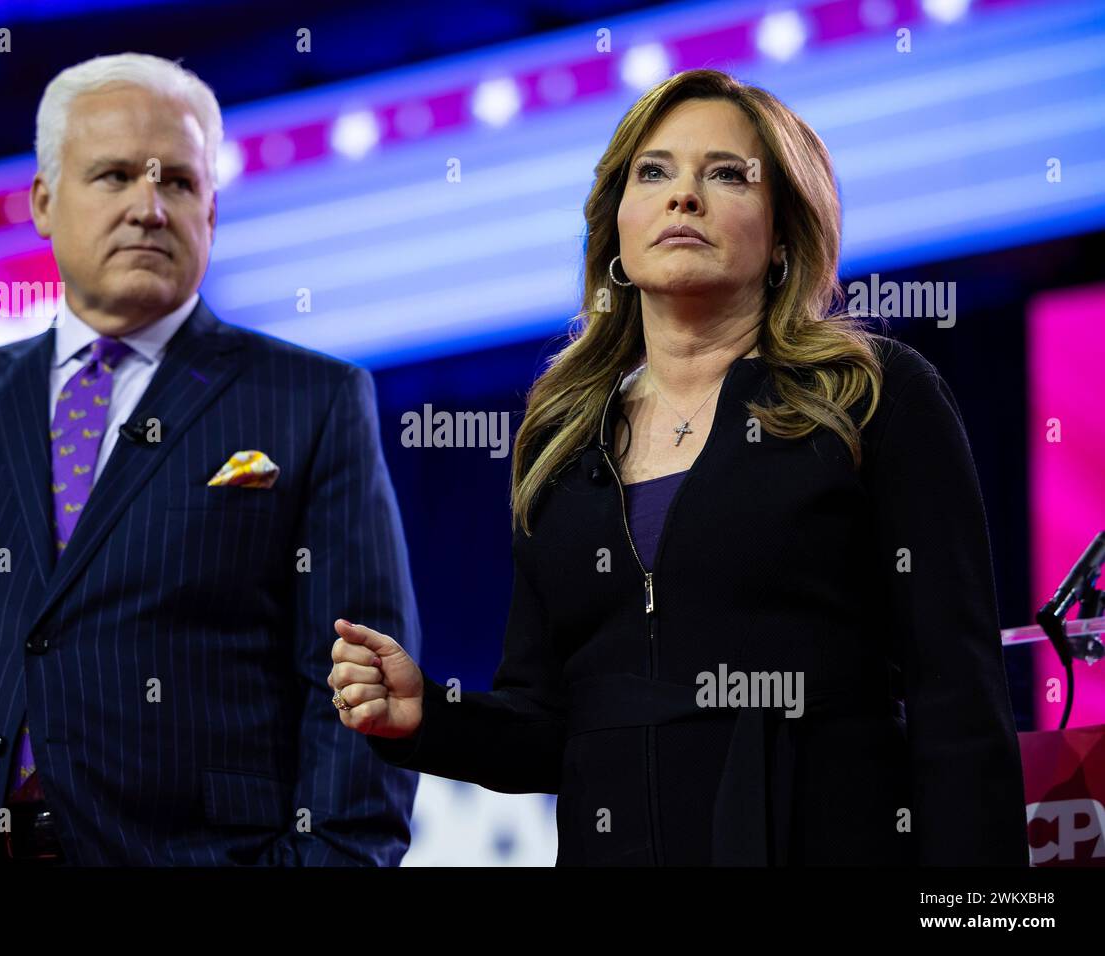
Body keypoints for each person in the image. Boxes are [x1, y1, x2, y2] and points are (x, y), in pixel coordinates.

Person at [327, 69, 1027, 866]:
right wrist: (428, 715)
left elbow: (958, 695)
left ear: (785, 233)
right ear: (616, 231)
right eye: (653, 172)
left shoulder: (872, 393)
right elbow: (550, 721)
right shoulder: (561, 438)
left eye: (726, 174)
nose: (683, 196)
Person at [0, 53, 420, 866]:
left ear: (212, 212)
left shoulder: (313, 402)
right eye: (115, 175)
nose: (149, 208)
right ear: (43, 202)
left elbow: (357, 690)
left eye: (180, 184)